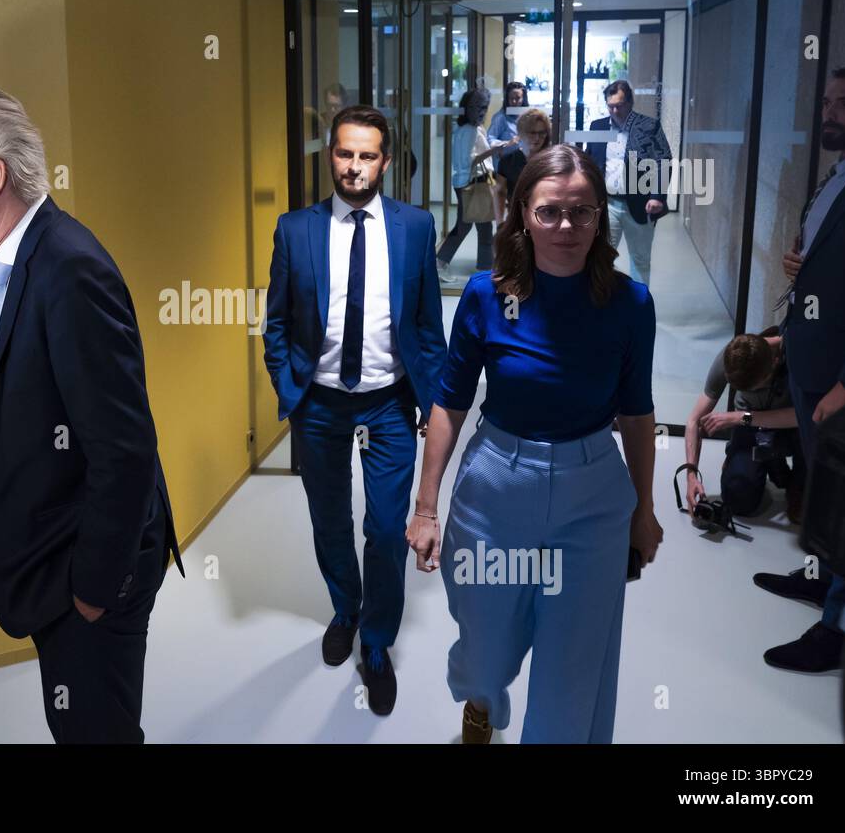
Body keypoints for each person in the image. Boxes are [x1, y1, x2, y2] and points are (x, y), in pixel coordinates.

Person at [0, 82, 183, 744]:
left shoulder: (69, 272)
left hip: (88, 581)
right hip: (52, 571)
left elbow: (124, 452)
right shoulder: (6, 256)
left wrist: (89, 591)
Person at [408, 143, 662, 743]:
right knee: (485, 656)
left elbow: (637, 414)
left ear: (601, 216)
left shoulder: (630, 305)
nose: (566, 227)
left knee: (573, 676)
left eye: (583, 212)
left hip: (593, 492)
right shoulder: (485, 295)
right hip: (496, 487)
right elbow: (449, 402)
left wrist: (644, 511)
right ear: (523, 212)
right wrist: (426, 506)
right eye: (550, 211)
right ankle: (481, 702)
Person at [263, 104, 447, 716]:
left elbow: (426, 325)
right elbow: (279, 323)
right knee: (330, 520)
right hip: (319, 403)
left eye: (367, 155)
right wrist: (286, 385)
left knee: (387, 527)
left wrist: (432, 398)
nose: (355, 165)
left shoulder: (416, 228)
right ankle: (345, 607)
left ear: (386, 162)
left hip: (391, 402)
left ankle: (375, 641)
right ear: (330, 156)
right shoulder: (295, 229)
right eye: (345, 153)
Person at [763, 64, 845, 673]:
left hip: (843, 376)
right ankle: (820, 581)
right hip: (809, 352)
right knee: (822, 485)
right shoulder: (840, 172)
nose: (830, 113)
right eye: (829, 101)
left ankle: (838, 632)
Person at [683, 329, 802, 522]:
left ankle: (796, 481)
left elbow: (805, 416)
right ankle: (745, 461)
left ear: (774, 365)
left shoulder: (797, 356)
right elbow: (693, 421)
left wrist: (741, 418)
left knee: (808, 504)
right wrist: (691, 475)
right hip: (752, 429)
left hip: (792, 428)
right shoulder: (732, 357)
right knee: (738, 500)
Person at [583, 80, 672, 285]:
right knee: (601, 258)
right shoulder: (597, 127)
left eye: (620, 105)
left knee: (640, 260)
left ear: (630, 102)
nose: (615, 110)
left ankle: (639, 307)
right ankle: (602, 304)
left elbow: (663, 162)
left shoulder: (649, 127)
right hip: (607, 204)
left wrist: (657, 196)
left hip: (640, 204)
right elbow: (588, 162)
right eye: (610, 105)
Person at [437, 88, 515, 285]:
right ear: (466, 108)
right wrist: (495, 150)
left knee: (483, 226)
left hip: (475, 181)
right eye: (476, 107)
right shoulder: (468, 131)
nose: (481, 111)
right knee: (466, 226)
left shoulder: (474, 128)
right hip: (470, 182)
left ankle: (484, 267)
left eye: (484, 107)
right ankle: (440, 263)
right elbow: (467, 162)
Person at [496, 108, 552, 205]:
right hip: (516, 216)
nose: (537, 138)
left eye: (542, 133)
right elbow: (500, 193)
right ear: (521, 133)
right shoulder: (508, 161)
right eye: (532, 133)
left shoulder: (551, 160)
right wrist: (500, 219)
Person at [487, 81, 528, 146]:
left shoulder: (528, 117)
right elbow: (490, 139)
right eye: (511, 98)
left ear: (524, 99)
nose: (514, 101)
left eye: (517, 98)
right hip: (508, 155)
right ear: (507, 99)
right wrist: (507, 143)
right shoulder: (500, 117)